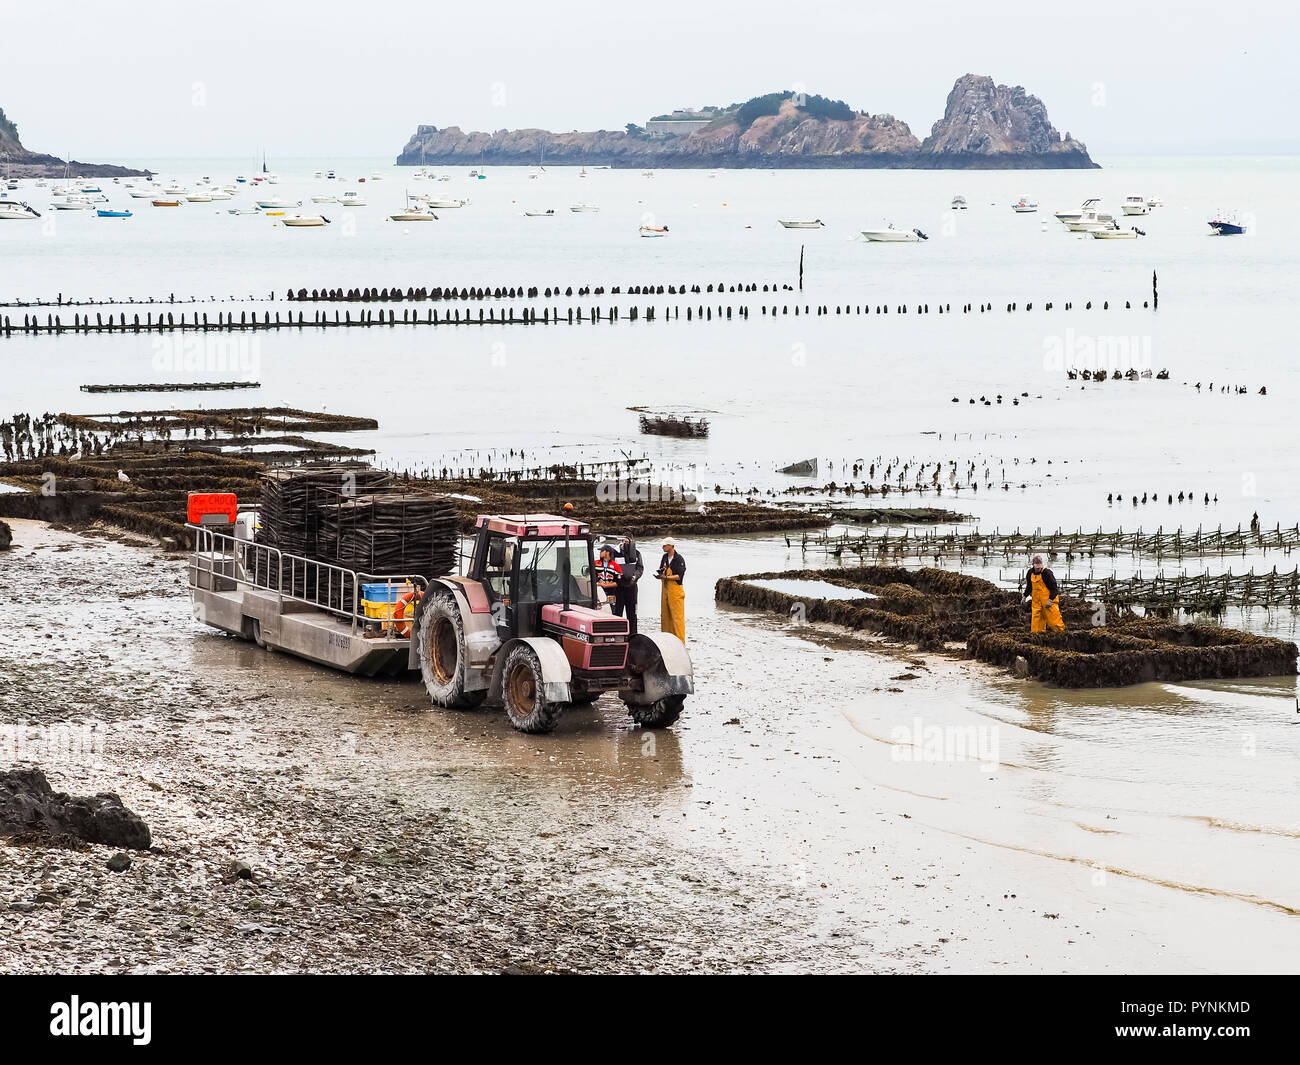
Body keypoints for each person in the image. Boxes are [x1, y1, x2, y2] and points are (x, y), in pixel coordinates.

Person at [1023, 554, 1064, 633]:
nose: (1038, 568)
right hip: (1036, 602)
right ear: (1033, 565)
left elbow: (1054, 589)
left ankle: (1062, 635)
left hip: (1048, 602)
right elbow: (1029, 586)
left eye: (1040, 566)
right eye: (1036, 566)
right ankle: (1038, 638)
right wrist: (1024, 596)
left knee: (1054, 623)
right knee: (1036, 627)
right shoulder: (1030, 573)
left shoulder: (1047, 573)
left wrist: (1050, 600)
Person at [656, 537, 686, 641]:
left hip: (676, 591)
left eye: (664, 545)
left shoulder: (679, 559)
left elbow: (679, 576)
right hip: (665, 590)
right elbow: (661, 569)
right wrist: (660, 575)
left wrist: (666, 578)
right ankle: (667, 640)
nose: (663, 547)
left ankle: (680, 641)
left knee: (677, 618)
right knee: (665, 617)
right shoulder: (664, 557)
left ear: (671, 546)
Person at [614, 535, 644, 633]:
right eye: (624, 541)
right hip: (619, 586)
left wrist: (635, 576)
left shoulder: (636, 553)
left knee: (632, 613)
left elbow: (640, 568)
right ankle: (617, 632)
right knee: (617, 612)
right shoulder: (615, 553)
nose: (625, 543)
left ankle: (633, 634)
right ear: (621, 541)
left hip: (632, 586)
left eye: (628, 542)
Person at [594, 543, 622, 610]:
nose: (600, 553)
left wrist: (607, 585)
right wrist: (599, 584)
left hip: (611, 593)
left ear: (607, 553)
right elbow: (591, 577)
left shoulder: (616, 566)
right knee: (597, 610)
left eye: (602, 551)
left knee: (612, 610)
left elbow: (619, 582)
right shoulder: (595, 563)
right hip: (598, 592)